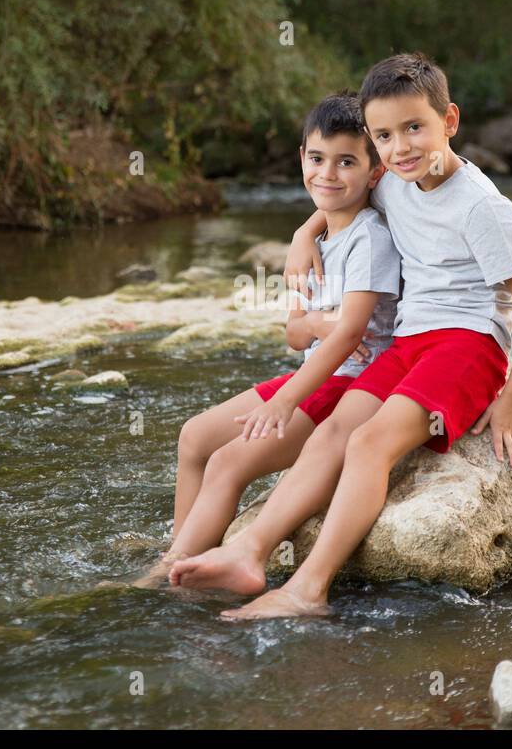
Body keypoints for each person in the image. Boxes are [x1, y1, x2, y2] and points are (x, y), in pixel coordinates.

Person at [169, 52, 512, 619]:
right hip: (409, 341)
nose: (401, 147)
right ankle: (249, 551)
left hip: (468, 343)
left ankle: (308, 589)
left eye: (414, 128)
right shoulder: (394, 182)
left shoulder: (482, 207)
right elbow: (337, 199)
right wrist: (304, 232)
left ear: (449, 120)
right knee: (334, 433)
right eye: (385, 135)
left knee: (368, 444)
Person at [130, 92, 401, 587]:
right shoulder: (315, 243)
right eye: (317, 159)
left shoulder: (370, 239)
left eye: (346, 163)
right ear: (302, 158)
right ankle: (184, 543)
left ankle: (169, 575)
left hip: (348, 387)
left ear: (374, 171)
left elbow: (349, 339)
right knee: (194, 436)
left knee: (228, 461)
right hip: (312, 374)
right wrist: (317, 322)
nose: (328, 174)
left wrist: (288, 399)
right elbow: (296, 333)